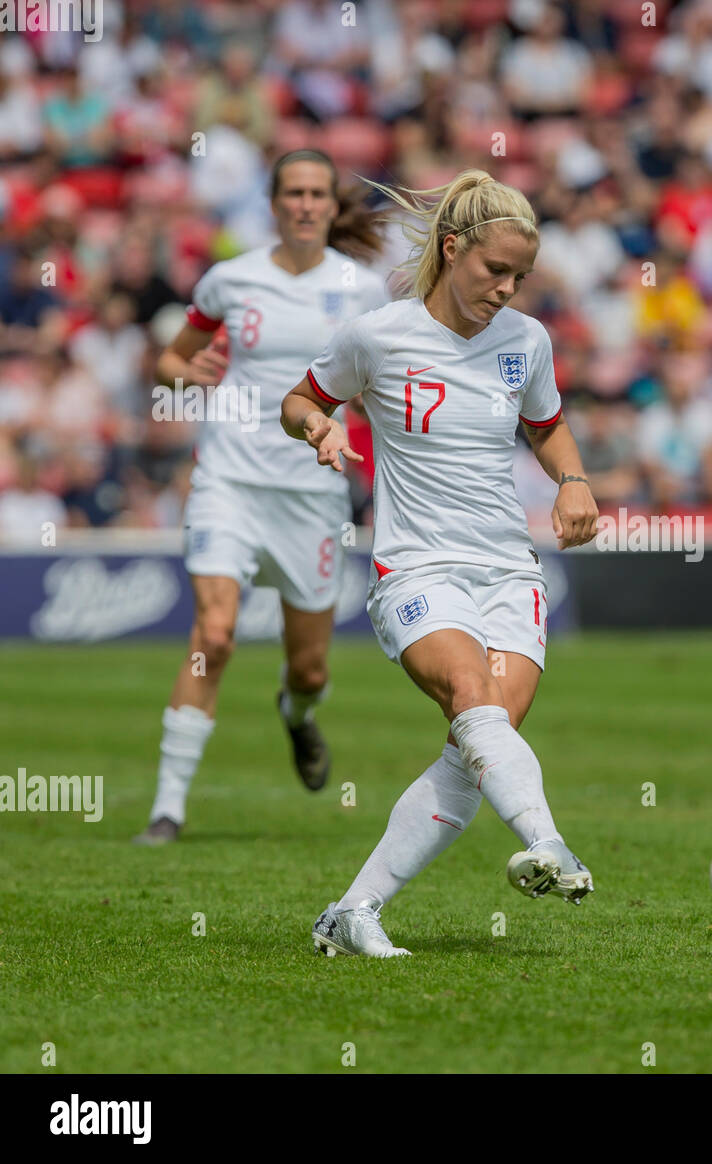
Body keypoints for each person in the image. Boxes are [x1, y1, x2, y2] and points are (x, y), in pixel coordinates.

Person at [280, 169, 600, 958]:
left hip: (509, 572)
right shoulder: (378, 335)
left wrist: (575, 480)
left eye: (520, 277)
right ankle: (549, 843)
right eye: (496, 271)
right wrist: (319, 430)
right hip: (417, 569)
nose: (506, 289)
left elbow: (547, 426)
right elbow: (301, 399)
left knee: (478, 741)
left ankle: (353, 913)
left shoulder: (526, 342)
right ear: (453, 249)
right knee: (471, 694)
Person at [134, 150, 389, 845]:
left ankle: (299, 715)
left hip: (312, 493)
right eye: (293, 193)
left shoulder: (363, 289)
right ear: (273, 204)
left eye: (317, 194)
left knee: (308, 665)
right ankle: (168, 808)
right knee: (212, 636)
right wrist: (189, 371)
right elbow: (167, 362)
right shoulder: (230, 279)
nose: (305, 205)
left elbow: (378, 383)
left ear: (333, 208)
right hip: (229, 478)